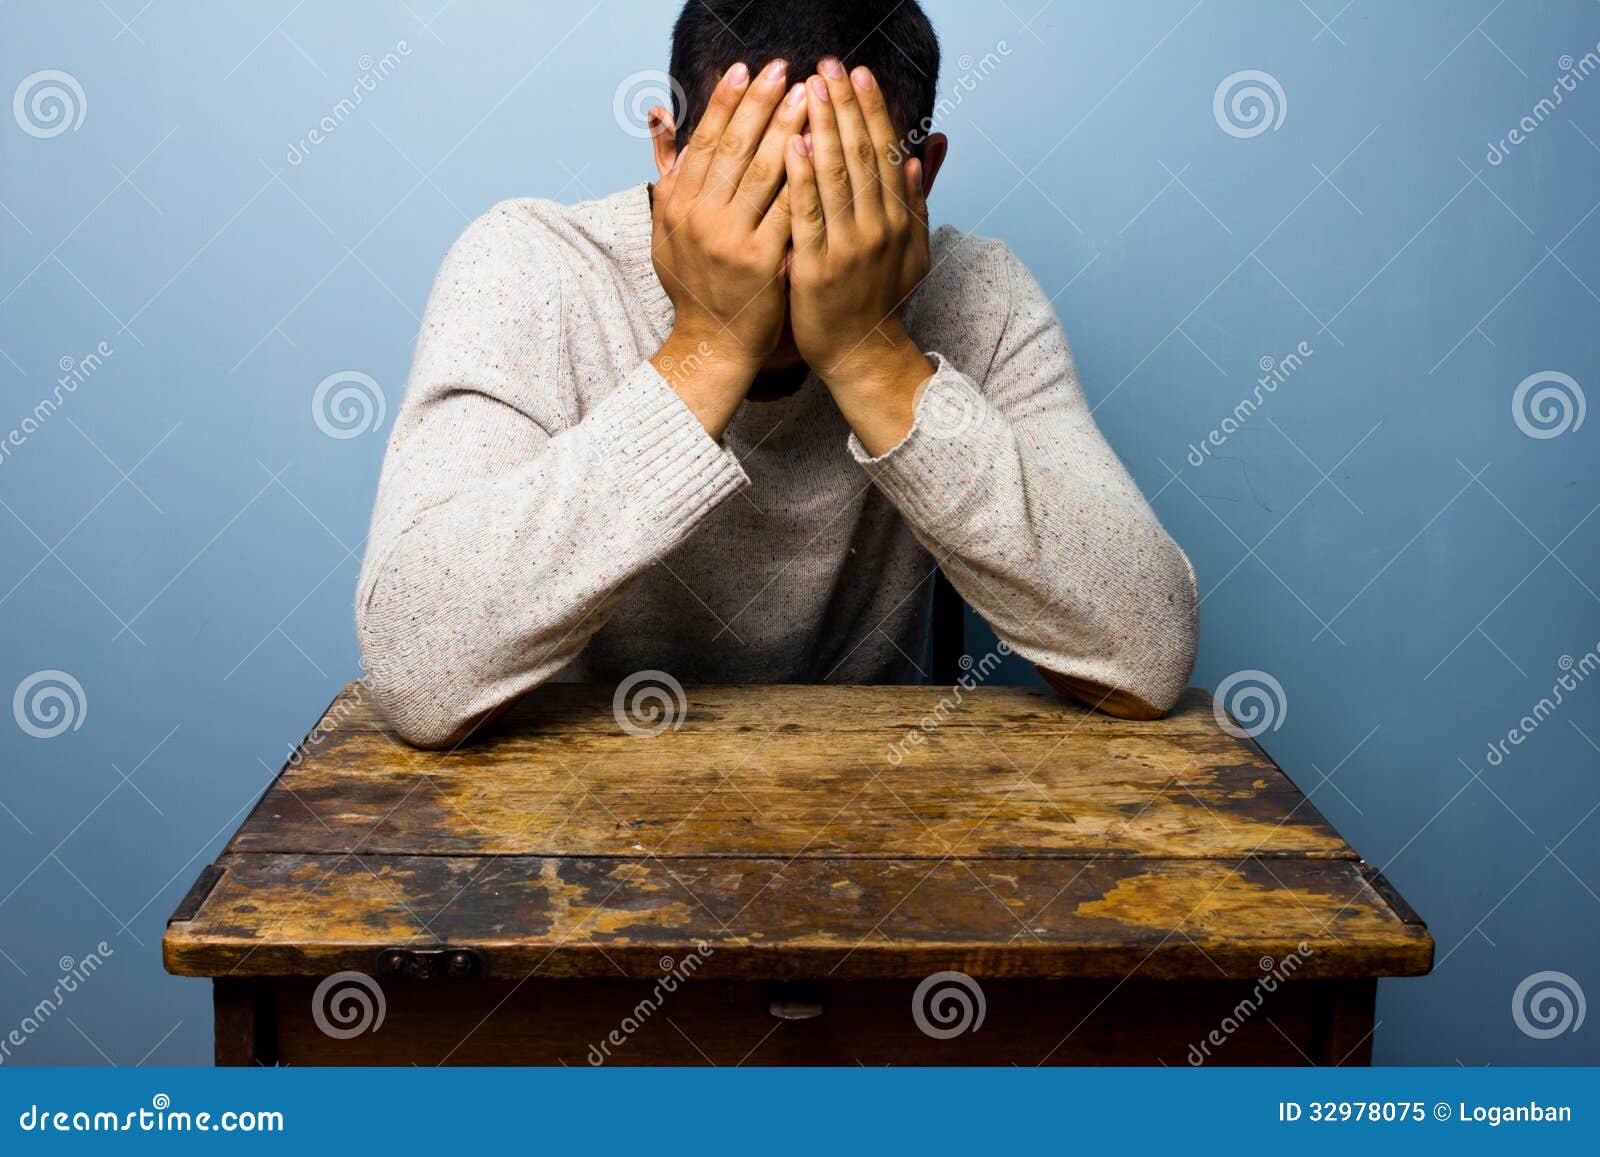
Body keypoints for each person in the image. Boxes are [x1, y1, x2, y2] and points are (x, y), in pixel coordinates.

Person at [356, 0, 1198, 748]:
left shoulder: (980, 294)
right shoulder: (530, 268)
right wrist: (711, 346)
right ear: (668, 157)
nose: (789, 261)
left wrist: (873, 353)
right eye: (752, 194)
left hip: (888, 831)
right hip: (571, 840)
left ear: (923, 178)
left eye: (838, 201)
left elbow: (1146, 649)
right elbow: (419, 664)